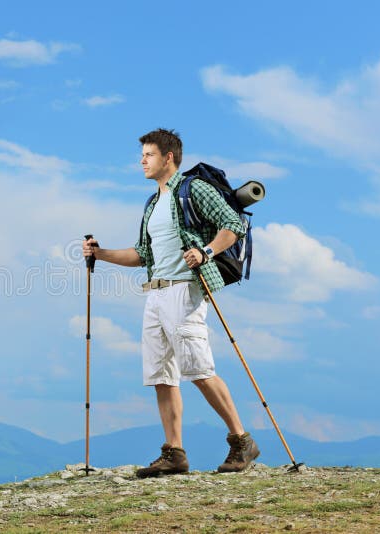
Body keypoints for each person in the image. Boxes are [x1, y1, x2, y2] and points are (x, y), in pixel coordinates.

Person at [82, 128, 259, 477]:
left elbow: (232, 224)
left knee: (199, 369)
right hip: (155, 293)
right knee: (161, 376)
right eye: (141, 156)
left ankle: (242, 441)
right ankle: (174, 452)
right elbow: (142, 255)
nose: (142, 161)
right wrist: (100, 254)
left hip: (185, 291)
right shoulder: (152, 204)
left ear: (168, 157)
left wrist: (206, 252)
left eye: (148, 155)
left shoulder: (193, 189)